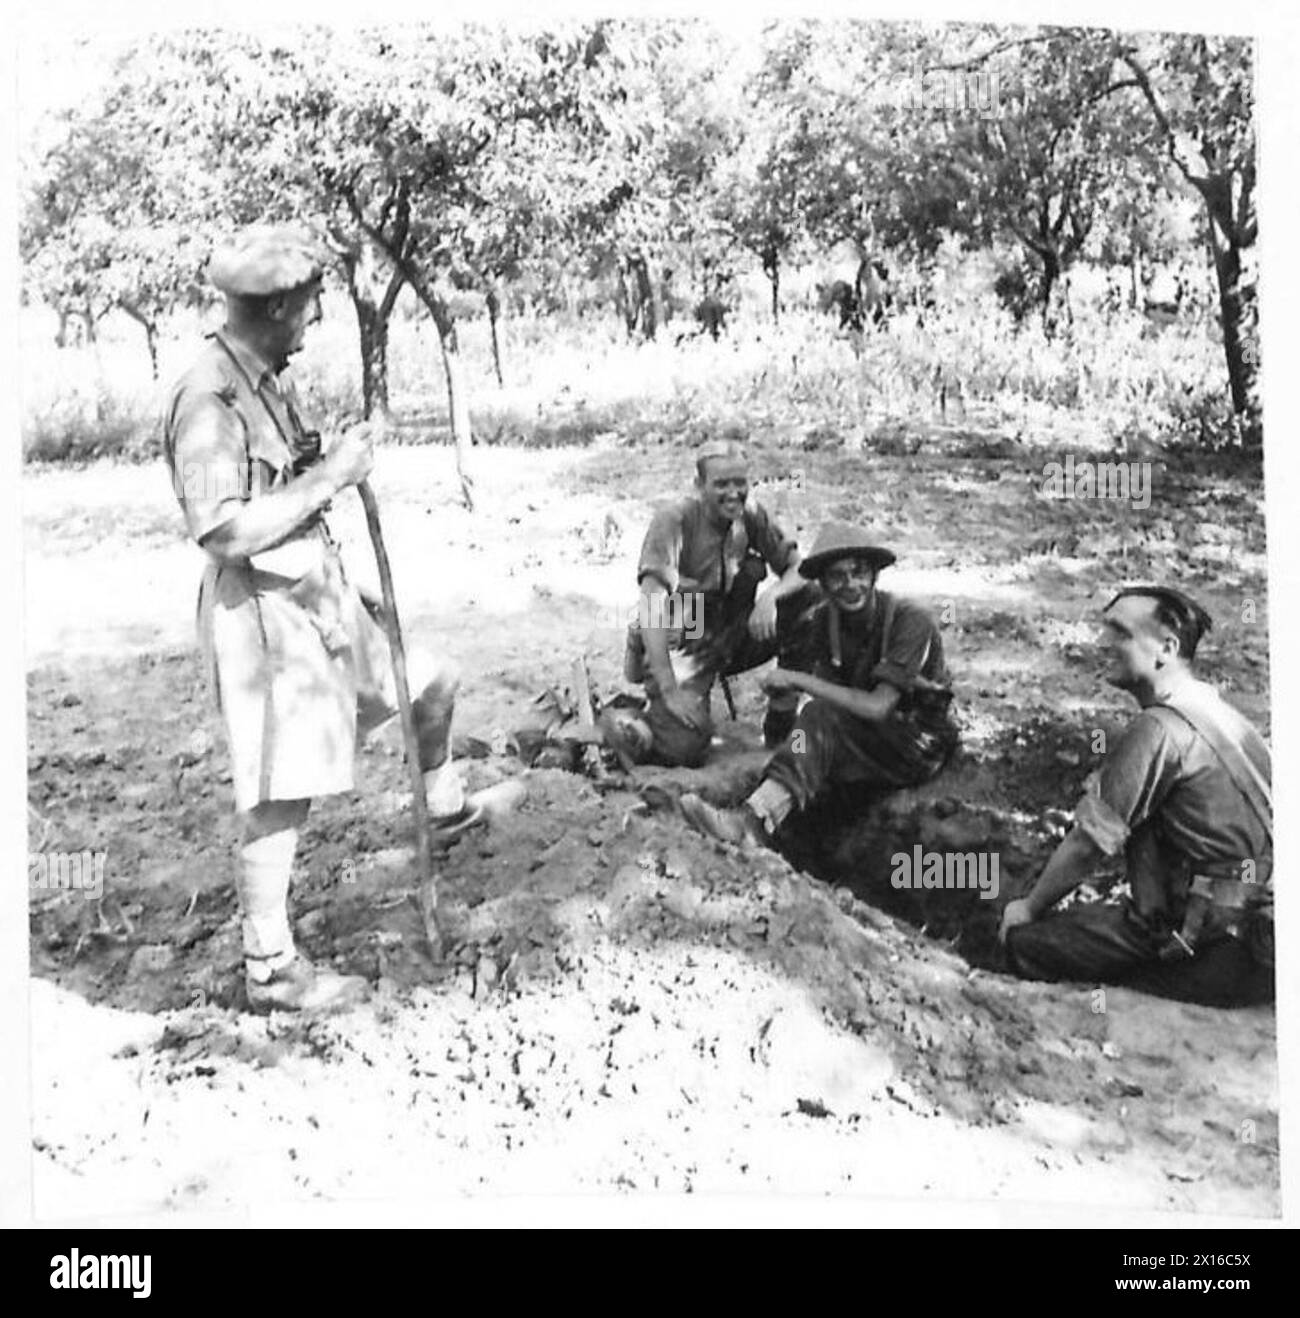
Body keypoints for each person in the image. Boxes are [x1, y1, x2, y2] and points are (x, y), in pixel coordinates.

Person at [164, 224, 474, 1012]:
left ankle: (439, 809)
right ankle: (270, 968)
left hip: (315, 592)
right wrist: (332, 478)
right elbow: (225, 530)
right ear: (272, 308)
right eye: (306, 307)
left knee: (431, 681)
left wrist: (331, 461)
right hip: (265, 615)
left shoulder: (266, 375)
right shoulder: (210, 397)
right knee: (280, 789)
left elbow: (289, 478)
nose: (314, 322)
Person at [999, 586, 1273, 1008]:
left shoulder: (1159, 730)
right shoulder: (1221, 716)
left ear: (1166, 647)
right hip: (1257, 931)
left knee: (1026, 943)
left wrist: (1029, 908)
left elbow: (1087, 846)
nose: (1103, 643)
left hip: (1208, 943)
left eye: (1120, 633)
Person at [678, 523, 958, 848]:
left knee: (817, 717)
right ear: (823, 583)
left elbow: (876, 706)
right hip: (866, 741)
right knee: (809, 731)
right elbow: (822, 694)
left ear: (875, 575)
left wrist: (797, 680)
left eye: (859, 572)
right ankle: (766, 808)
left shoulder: (910, 621)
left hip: (917, 746)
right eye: (837, 576)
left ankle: (751, 824)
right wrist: (781, 721)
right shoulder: (825, 621)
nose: (850, 584)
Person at [612, 439, 813, 768]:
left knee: (809, 603)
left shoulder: (750, 516)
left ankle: (782, 723)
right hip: (686, 641)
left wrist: (770, 597)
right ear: (699, 485)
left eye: (740, 483)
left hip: (733, 631)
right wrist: (669, 689)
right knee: (683, 748)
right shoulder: (674, 521)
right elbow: (651, 606)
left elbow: (800, 569)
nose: (733, 493)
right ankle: (628, 715)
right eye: (721, 484)